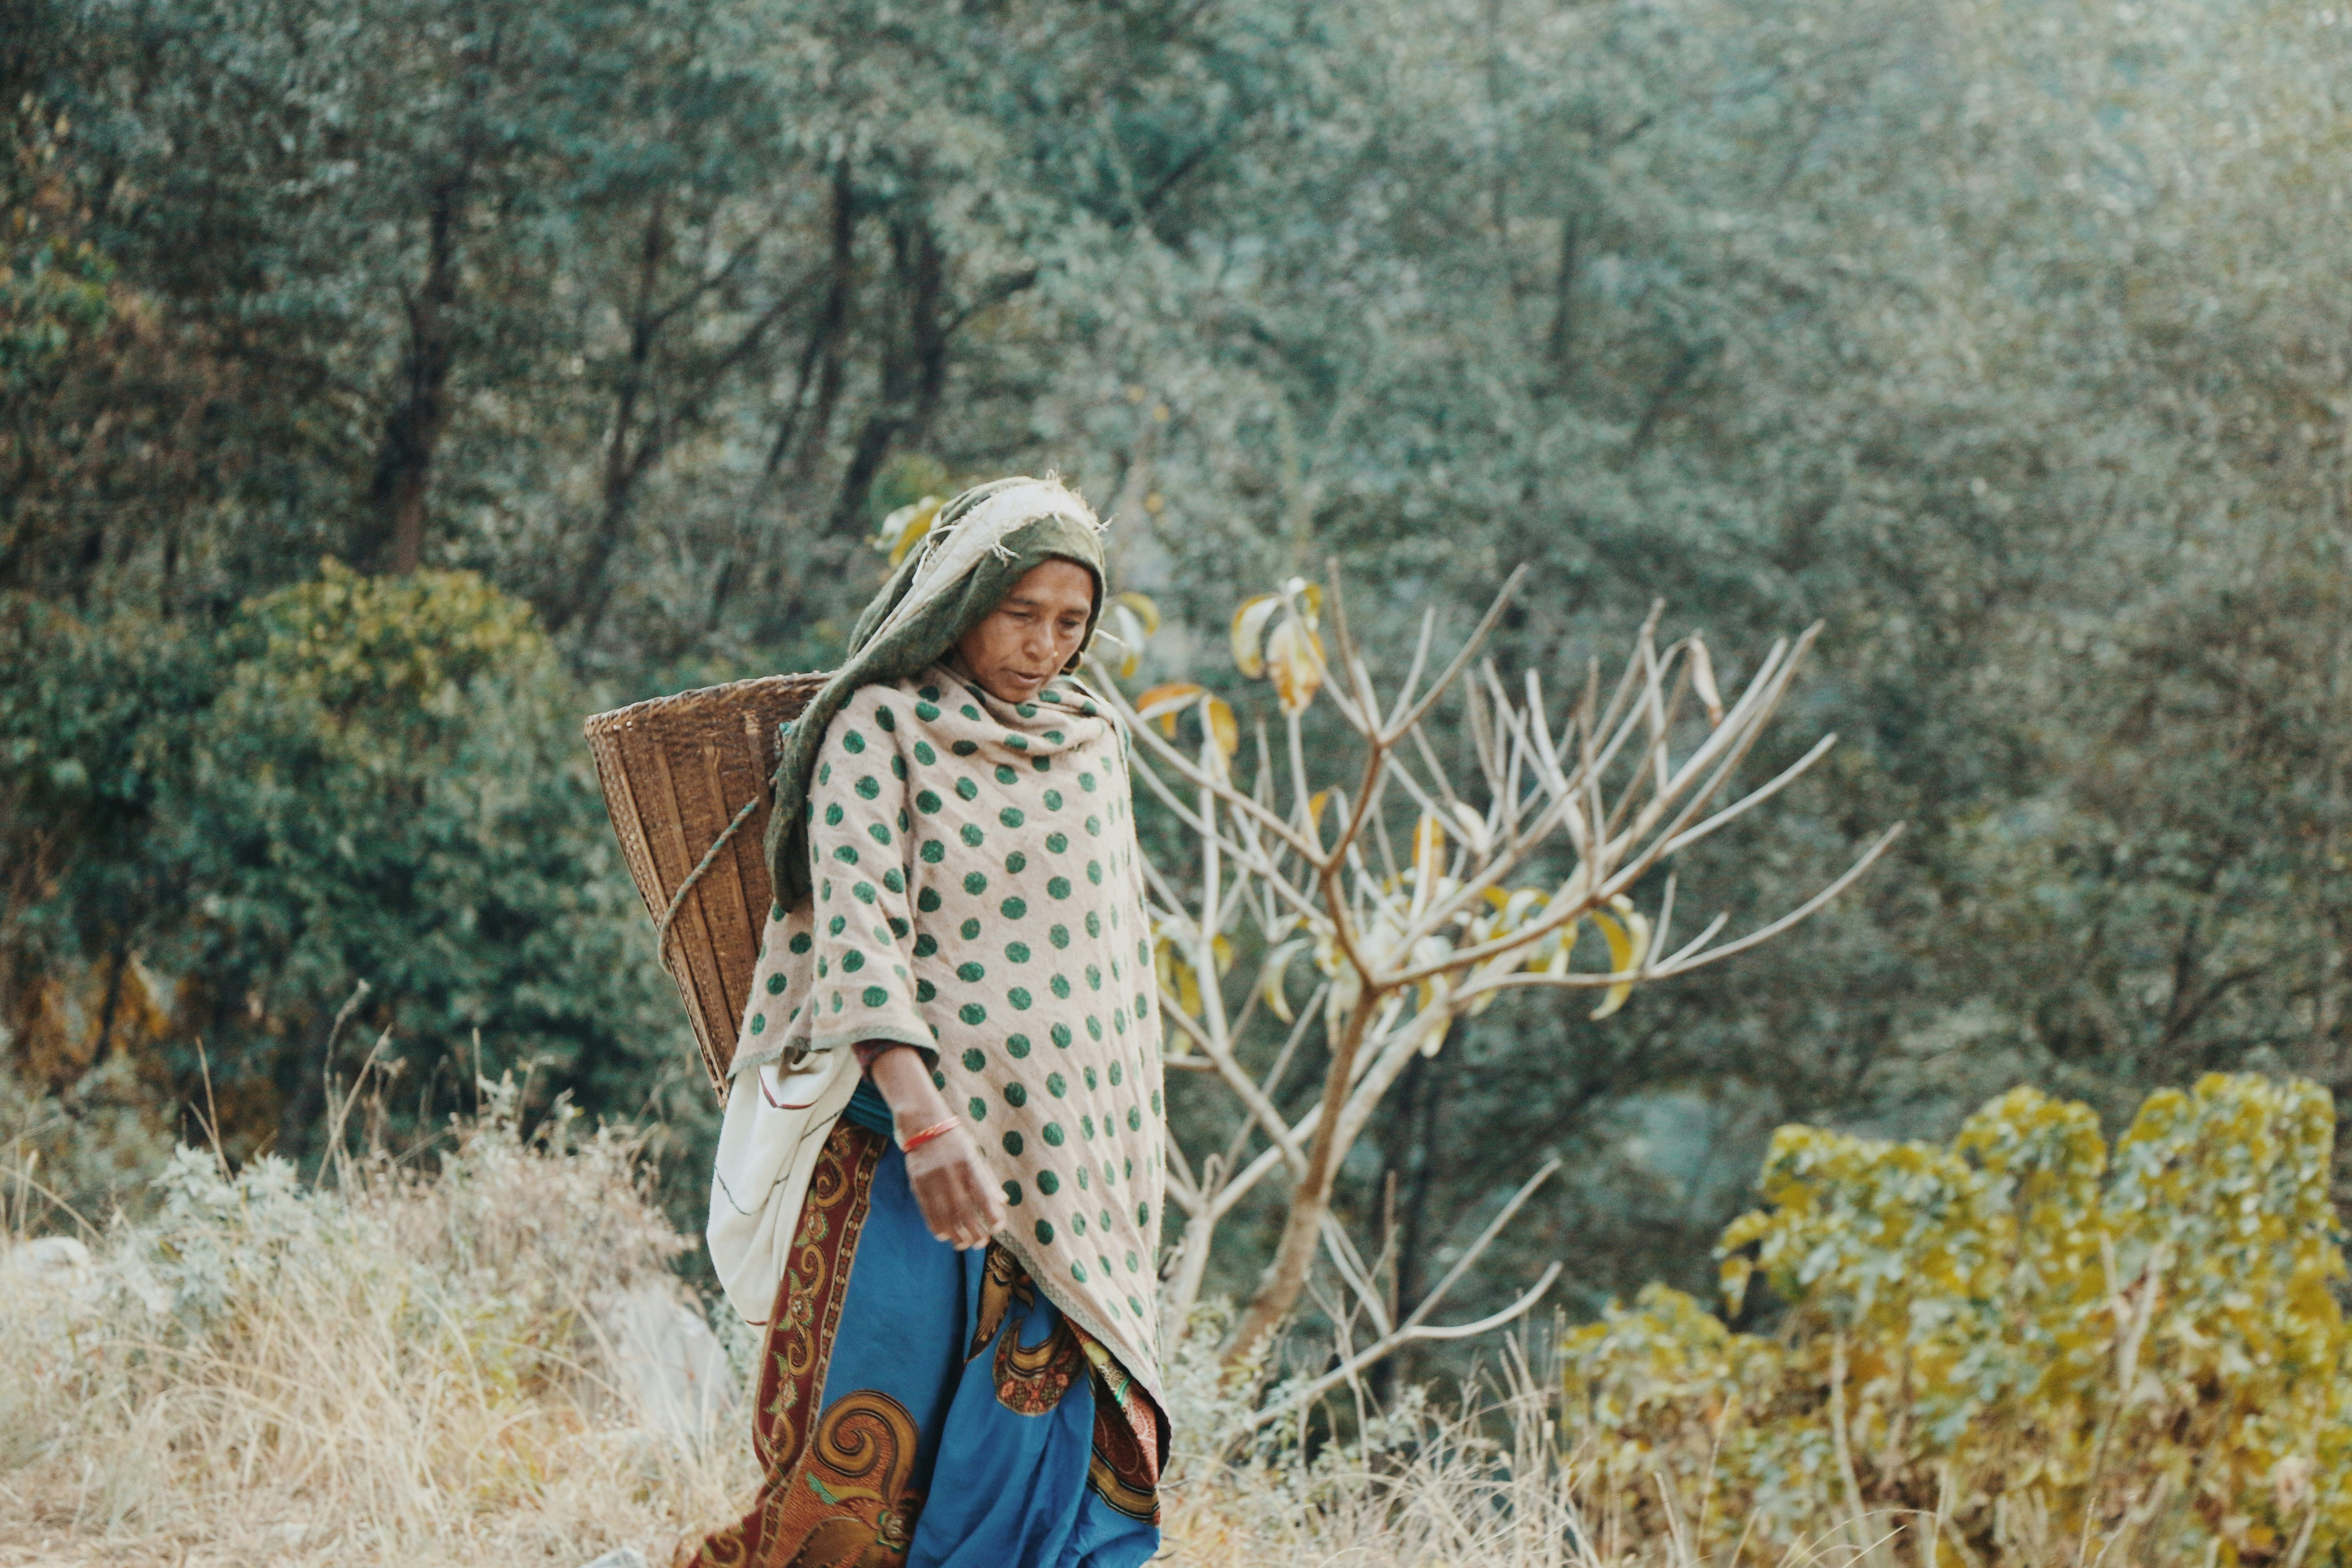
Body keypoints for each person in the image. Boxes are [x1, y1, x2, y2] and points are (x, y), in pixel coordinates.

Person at [686, 477, 1168, 1568]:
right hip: (904, 1166)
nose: (1045, 646)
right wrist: (927, 1123)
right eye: (1021, 613)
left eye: (1073, 622)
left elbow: (1115, 993)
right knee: (854, 1489)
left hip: (1062, 1188)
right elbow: (859, 940)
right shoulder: (878, 726)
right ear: (961, 602)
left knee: (1032, 1490)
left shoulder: (1092, 742)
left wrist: (1120, 1176)